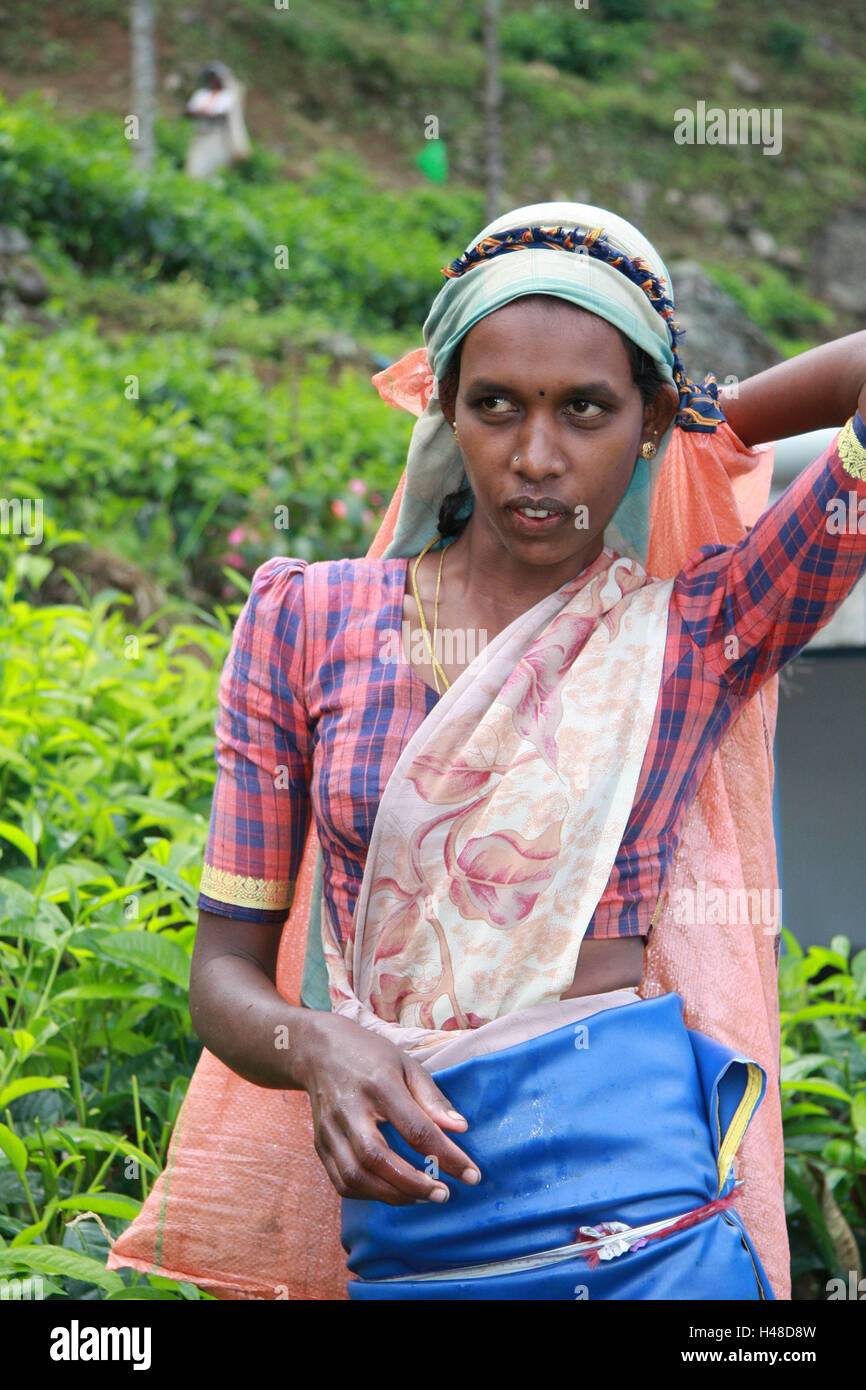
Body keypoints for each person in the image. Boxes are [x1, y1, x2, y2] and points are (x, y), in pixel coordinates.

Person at [108, 202, 866, 1300]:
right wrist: (313, 1045)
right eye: (495, 404)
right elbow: (223, 974)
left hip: (648, 1245)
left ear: (644, 420)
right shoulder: (303, 621)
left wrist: (703, 414)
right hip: (413, 1244)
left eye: (586, 410)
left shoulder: (695, 634)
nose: (538, 458)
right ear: (444, 409)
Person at [184, 61, 251, 180]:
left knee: (215, 167)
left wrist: (204, 112)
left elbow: (223, 114)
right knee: (195, 167)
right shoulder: (202, 94)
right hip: (201, 134)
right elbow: (188, 112)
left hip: (217, 137)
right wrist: (204, 112)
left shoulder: (228, 96)